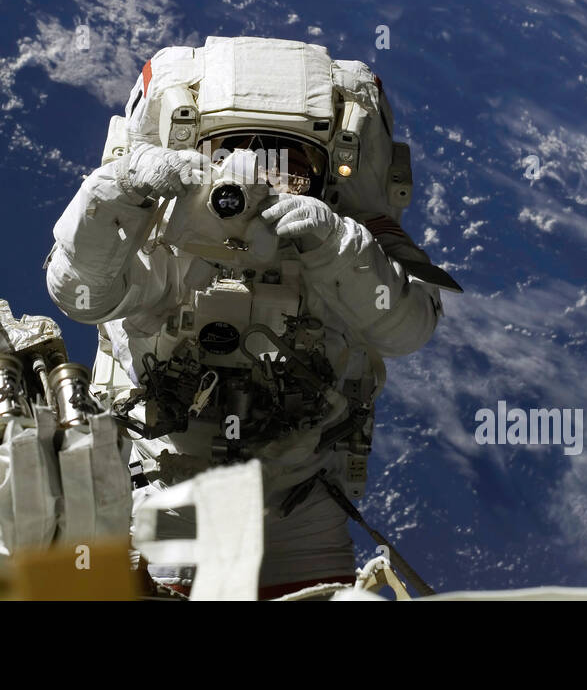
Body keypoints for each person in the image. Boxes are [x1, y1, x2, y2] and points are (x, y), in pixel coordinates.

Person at [45, 36, 458, 596]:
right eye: (237, 156)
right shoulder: (167, 239)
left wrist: (336, 244)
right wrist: (120, 190)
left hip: (296, 496)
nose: (260, 181)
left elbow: (407, 325)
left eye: (287, 167)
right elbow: (81, 293)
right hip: (173, 480)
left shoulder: (340, 244)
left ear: (324, 178)